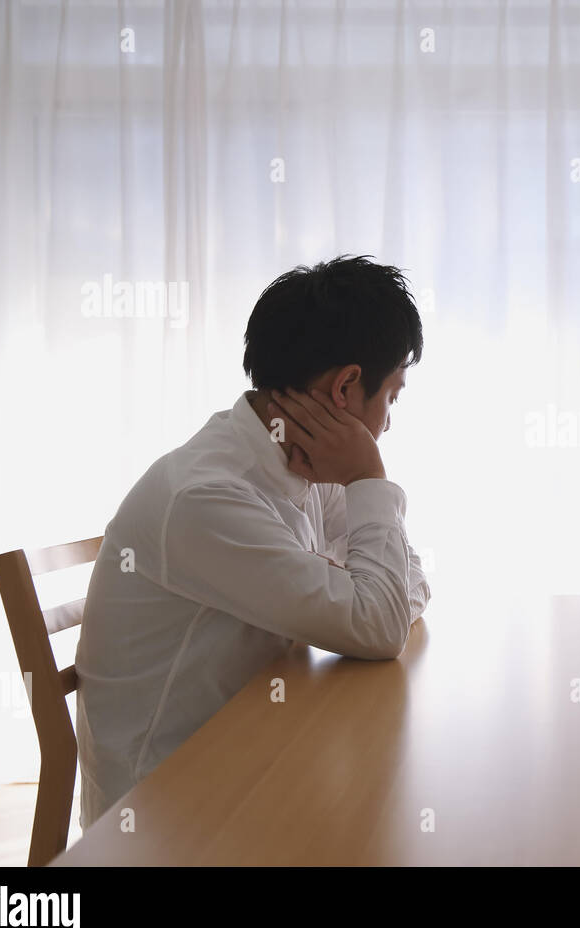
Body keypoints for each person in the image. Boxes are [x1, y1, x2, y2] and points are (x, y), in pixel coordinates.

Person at [75, 254, 430, 827]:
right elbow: (383, 622)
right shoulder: (208, 497)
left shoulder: (302, 462)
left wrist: (370, 593)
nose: (387, 423)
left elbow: (405, 584)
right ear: (346, 386)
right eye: (391, 397)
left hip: (256, 751)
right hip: (165, 813)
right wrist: (370, 479)